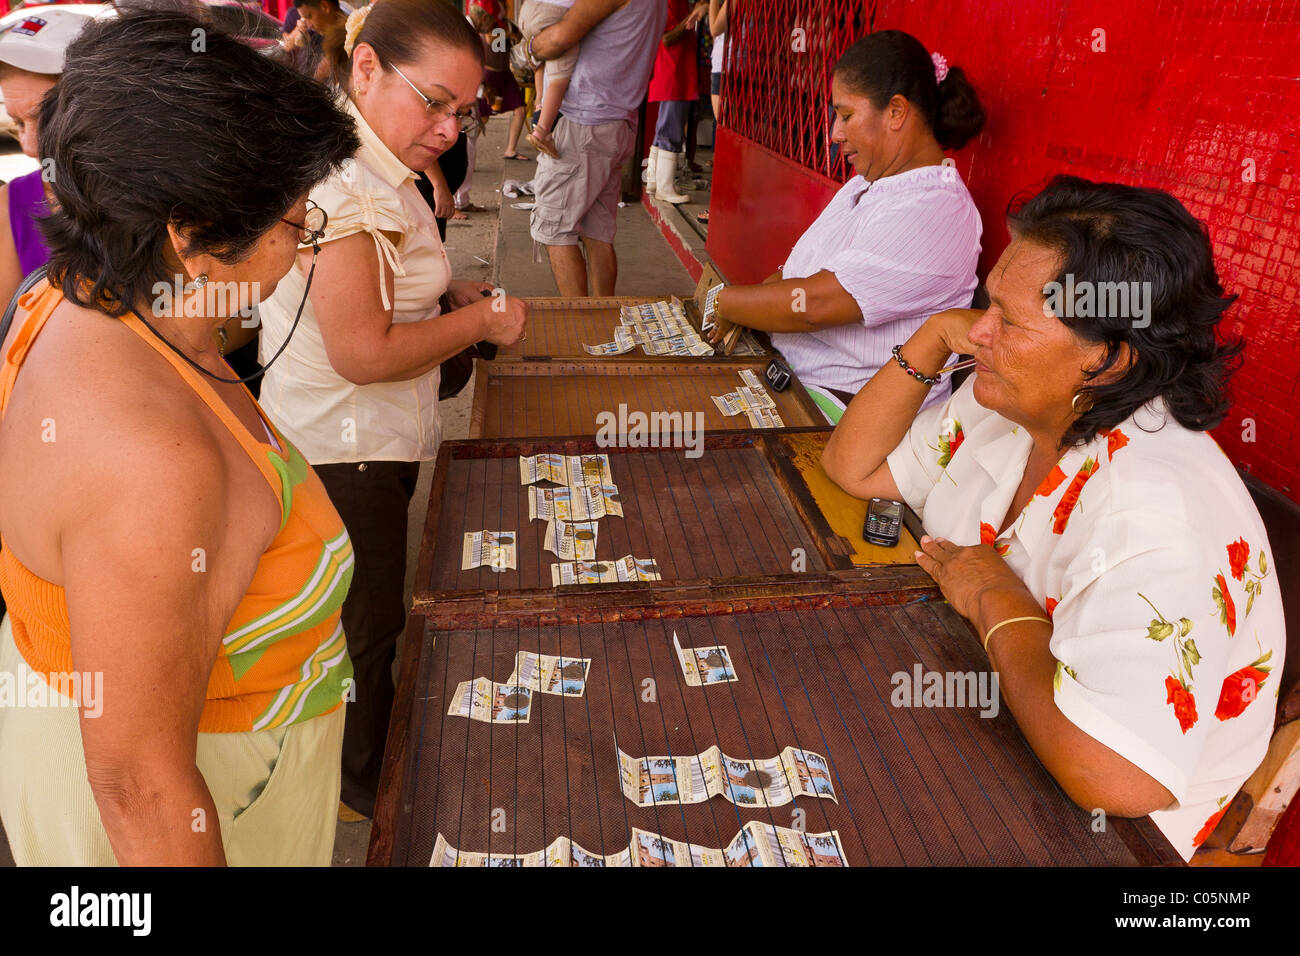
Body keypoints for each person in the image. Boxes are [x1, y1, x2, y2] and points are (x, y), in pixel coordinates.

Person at [821, 175, 1286, 861]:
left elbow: (1115, 779)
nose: (977, 332)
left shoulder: (1156, 512)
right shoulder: (1009, 405)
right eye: (986, 304)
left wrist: (996, 599)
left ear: (1105, 360)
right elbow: (853, 468)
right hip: (977, 715)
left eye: (1008, 321)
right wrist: (929, 340)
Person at [0, 6, 361, 866]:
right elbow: (140, 784)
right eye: (294, 219)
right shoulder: (151, 465)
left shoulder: (79, 289)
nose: (306, 243)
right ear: (191, 237)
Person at [256, 0, 527, 821]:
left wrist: (448, 293)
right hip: (344, 452)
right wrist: (477, 322)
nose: (448, 128)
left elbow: (383, 293)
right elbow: (362, 350)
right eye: (434, 101)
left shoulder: (365, 157)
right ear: (366, 67)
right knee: (365, 633)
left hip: (356, 441)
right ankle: (362, 794)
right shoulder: (350, 185)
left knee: (363, 619)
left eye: (464, 110)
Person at [708, 30, 986, 424]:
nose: (835, 133)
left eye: (847, 114)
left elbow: (813, 305)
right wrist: (745, 308)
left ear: (895, 111)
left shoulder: (937, 209)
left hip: (847, 411)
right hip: (796, 380)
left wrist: (722, 301)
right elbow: (793, 276)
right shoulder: (865, 185)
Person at [528, 0, 667, 296]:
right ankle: (601, 321)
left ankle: (580, 327)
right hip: (618, 122)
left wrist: (527, 50)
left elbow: (559, 38)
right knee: (598, 230)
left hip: (584, 122)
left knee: (556, 230)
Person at [0, 7, 106, 310]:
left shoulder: (158, 194)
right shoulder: (10, 205)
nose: (30, 147)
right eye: (18, 124)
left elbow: (235, 317)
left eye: (47, 119)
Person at [643, 0, 705, 204]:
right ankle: (665, 186)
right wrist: (693, 15)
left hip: (675, 71)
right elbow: (667, 38)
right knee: (671, 130)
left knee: (663, 129)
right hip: (673, 71)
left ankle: (655, 181)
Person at [469, 0, 528, 161]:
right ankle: (467, 151)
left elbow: (519, 38)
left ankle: (510, 149)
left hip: (506, 74)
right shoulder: (492, 28)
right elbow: (495, 44)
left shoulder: (506, 24)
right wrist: (507, 34)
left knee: (521, 109)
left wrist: (512, 34)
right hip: (491, 74)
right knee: (484, 116)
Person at [516, 0, 576, 160]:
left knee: (543, 59)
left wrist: (539, 101)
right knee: (559, 81)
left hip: (527, 13)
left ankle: (541, 115)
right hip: (554, 14)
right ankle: (542, 131)